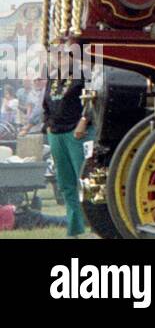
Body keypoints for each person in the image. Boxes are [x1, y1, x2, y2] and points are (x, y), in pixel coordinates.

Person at [43, 43, 90, 237]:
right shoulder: (52, 76)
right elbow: (46, 103)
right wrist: (47, 125)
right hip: (56, 132)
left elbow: (93, 100)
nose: (58, 57)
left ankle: (93, 224)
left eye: (62, 54)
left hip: (76, 133)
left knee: (83, 179)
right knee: (65, 183)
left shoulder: (84, 74)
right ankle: (75, 228)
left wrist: (84, 122)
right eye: (55, 54)